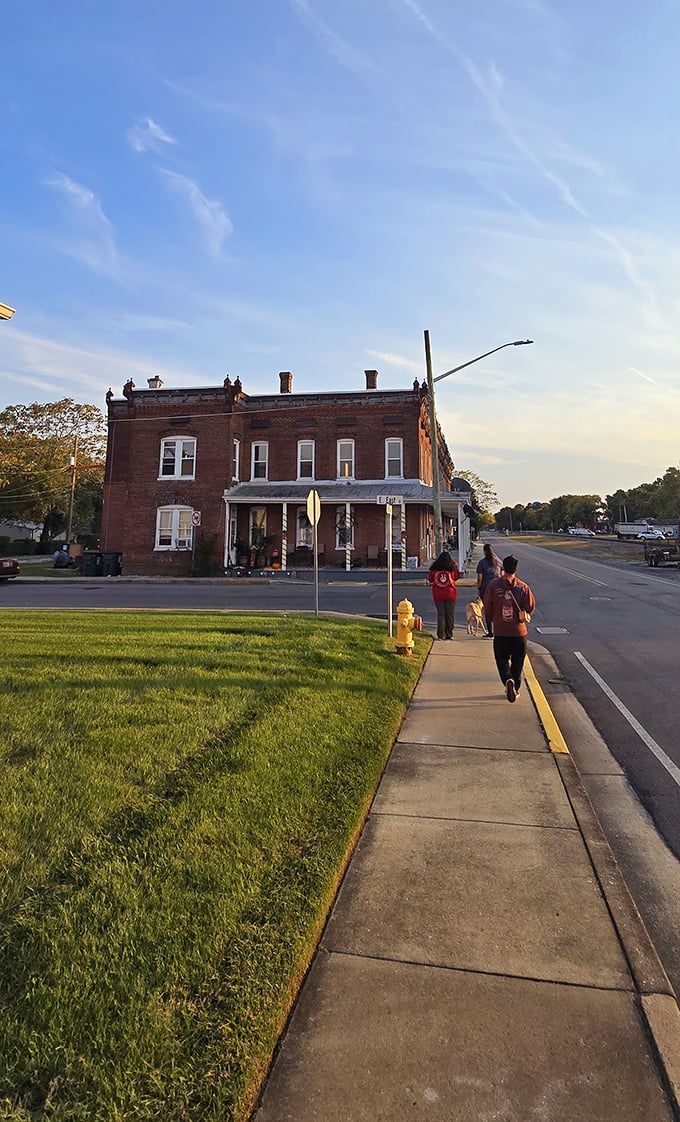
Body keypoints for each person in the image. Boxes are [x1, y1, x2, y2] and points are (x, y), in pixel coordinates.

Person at [483, 554, 536, 703]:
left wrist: (494, 619)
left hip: (501, 631)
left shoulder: (493, 586)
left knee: (501, 659)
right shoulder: (523, 587)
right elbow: (530, 607)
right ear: (516, 569)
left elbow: (487, 607)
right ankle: (515, 686)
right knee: (518, 662)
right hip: (519, 633)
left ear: (503, 568)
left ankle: (507, 680)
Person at [428, 550, 460, 640]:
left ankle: (441, 634)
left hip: (438, 594)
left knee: (441, 614)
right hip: (450, 593)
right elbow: (457, 577)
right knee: (450, 615)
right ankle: (449, 634)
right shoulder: (452, 566)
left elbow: (430, 579)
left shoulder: (435, 567)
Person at [476, 543, 502, 637]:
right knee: (497, 609)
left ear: (484, 552)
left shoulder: (482, 563)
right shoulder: (498, 561)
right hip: (498, 588)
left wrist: (479, 588)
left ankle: (490, 632)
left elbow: (480, 578)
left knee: (487, 609)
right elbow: (502, 572)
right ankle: (497, 630)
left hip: (486, 589)